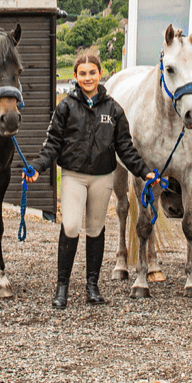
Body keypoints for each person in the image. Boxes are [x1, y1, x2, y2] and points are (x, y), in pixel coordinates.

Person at [24, 47, 154, 309]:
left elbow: (125, 148)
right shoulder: (65, 107)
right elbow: (52, 144)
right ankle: (62, 288)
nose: (87, 78)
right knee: (71, 226)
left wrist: (144, 171)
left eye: (92, 73)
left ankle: (92, 287)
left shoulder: (114, 110)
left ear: (100, 74)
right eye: (82, 73)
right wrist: (37, 167)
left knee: (95, 230)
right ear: (75, 75)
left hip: (102, 177)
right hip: (73, 176)